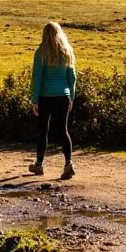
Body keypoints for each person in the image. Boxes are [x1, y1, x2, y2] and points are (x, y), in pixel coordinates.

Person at [29, 21, 76, 179]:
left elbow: (37, 78)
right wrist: (72, 97)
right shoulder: (67, 51)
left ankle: (39, 164)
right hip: (63, 96)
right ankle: (68, 163)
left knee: (43, 132)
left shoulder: (41, 53)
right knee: (63, 131)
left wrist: (34, 100)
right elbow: (72, 77)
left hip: (45, 97)